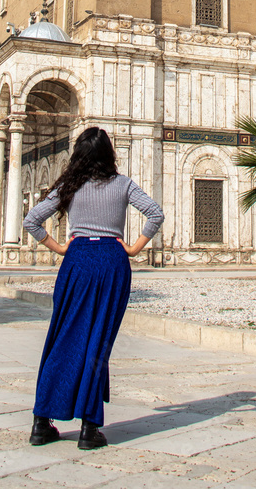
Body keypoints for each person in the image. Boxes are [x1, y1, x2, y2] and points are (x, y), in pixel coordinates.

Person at [22, 126, 164, 450]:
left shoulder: (69, 186)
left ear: (79, 155)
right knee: (98, 341)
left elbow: (32, 221)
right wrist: (134, 248)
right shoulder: (123, 184)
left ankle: (41, 421)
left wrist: (60, 247)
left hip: (78, 260)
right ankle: (89, 428)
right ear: (108, 154)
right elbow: (155, 214)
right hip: (112, 261)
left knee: (63, 336)